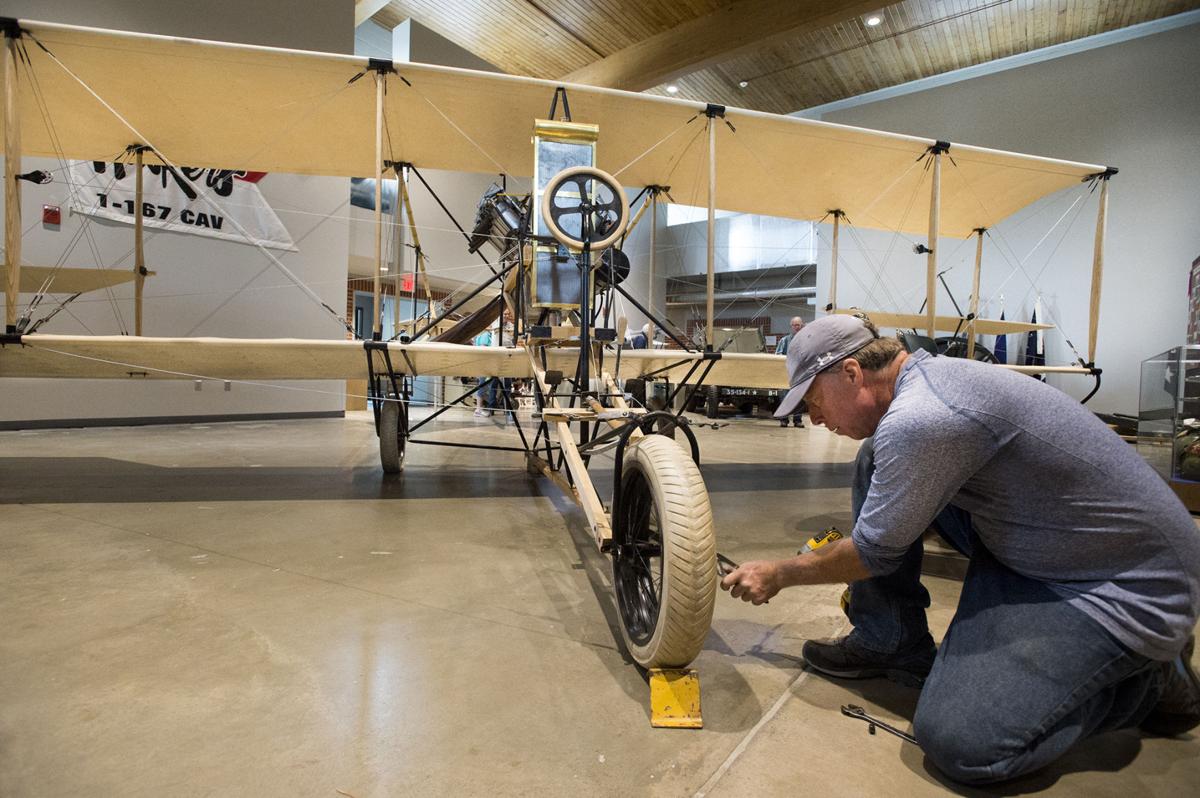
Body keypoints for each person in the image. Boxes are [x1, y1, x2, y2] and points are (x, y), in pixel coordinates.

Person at [721, 314, 1200, 785]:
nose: (816, 417)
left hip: (1120, 584)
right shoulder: (929, 380)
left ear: (851, 373)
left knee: (963, 744)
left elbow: (873, 555)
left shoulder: (922, 419)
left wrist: (780, 572)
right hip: (1052, 539)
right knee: (875, 458)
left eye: (814, 400)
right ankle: (892, 640)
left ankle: (1150, 679)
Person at [774, 316, 806, 427]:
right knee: (784, 398)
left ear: (802, 325)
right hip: (786, 375)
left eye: (798, 325)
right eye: (794, 325)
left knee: (799, 398)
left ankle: (798, 420)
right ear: (791, 326)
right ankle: (784, 420)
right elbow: (777, 357)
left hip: (801, 374)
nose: (797, 327)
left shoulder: (807, 341)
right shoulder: (784, 341)